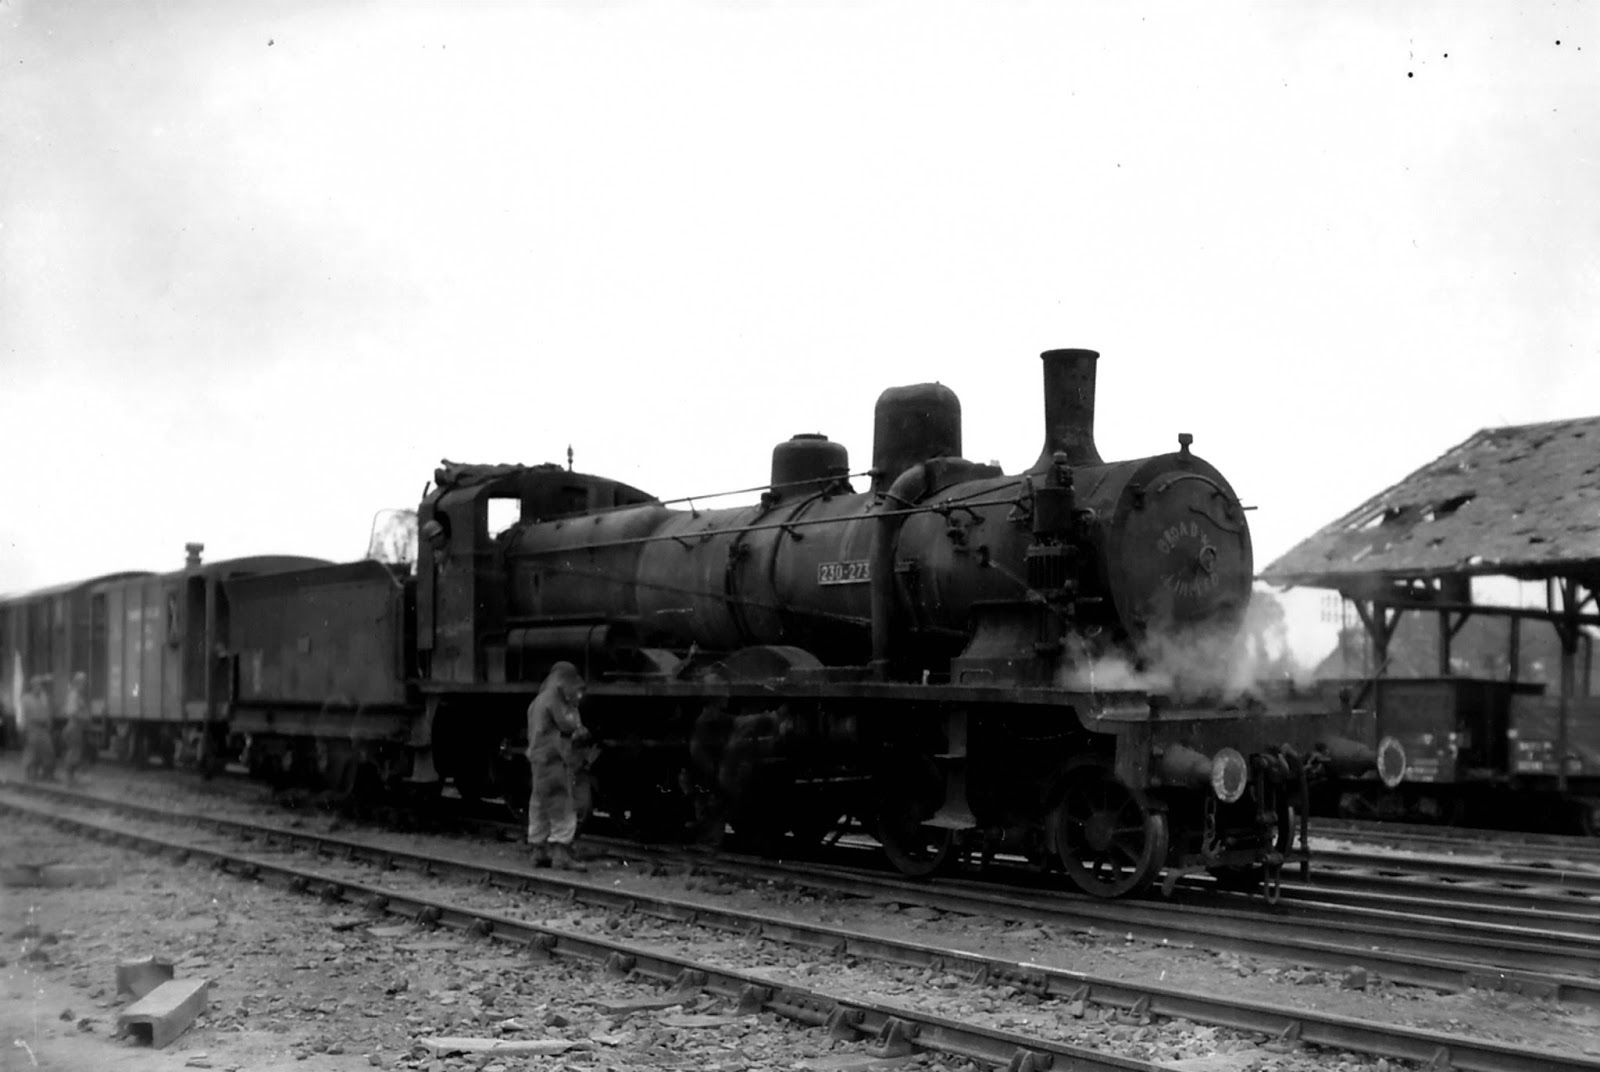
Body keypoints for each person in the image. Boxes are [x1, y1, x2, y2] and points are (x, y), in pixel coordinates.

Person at [525, 661, 590, 871]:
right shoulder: (554, 698)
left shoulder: (537, 701)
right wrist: (578, 721)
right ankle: (561, 854)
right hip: (554, 759)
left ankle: (538, 851)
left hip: (537, 759)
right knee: (562, 805)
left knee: (539, 804)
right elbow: (567, 723)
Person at [21, 676, 57, 781]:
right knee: (32, 751)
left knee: (48, 751)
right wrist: (23, 727)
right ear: (32, 686)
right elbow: (22, 715)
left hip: (43, 728)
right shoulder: (26, 699)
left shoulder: (44, 697)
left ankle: (48, 774)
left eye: (40, 685)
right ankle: (30, 774)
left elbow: (47, 711)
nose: (39, 687)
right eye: (37, 685)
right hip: (32, 727)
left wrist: (49, 723)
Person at [61, 672, 91, 785]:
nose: (85, 684)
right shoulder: (73, 695)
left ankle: (71, 777)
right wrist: (85, 717)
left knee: (76, 752)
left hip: (78, 727)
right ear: (77, 682)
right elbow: (72, 712)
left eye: (84, 682)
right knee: (73, 752)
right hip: (74, 726)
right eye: (83, 682)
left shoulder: (78, 695)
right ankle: (68, 778)